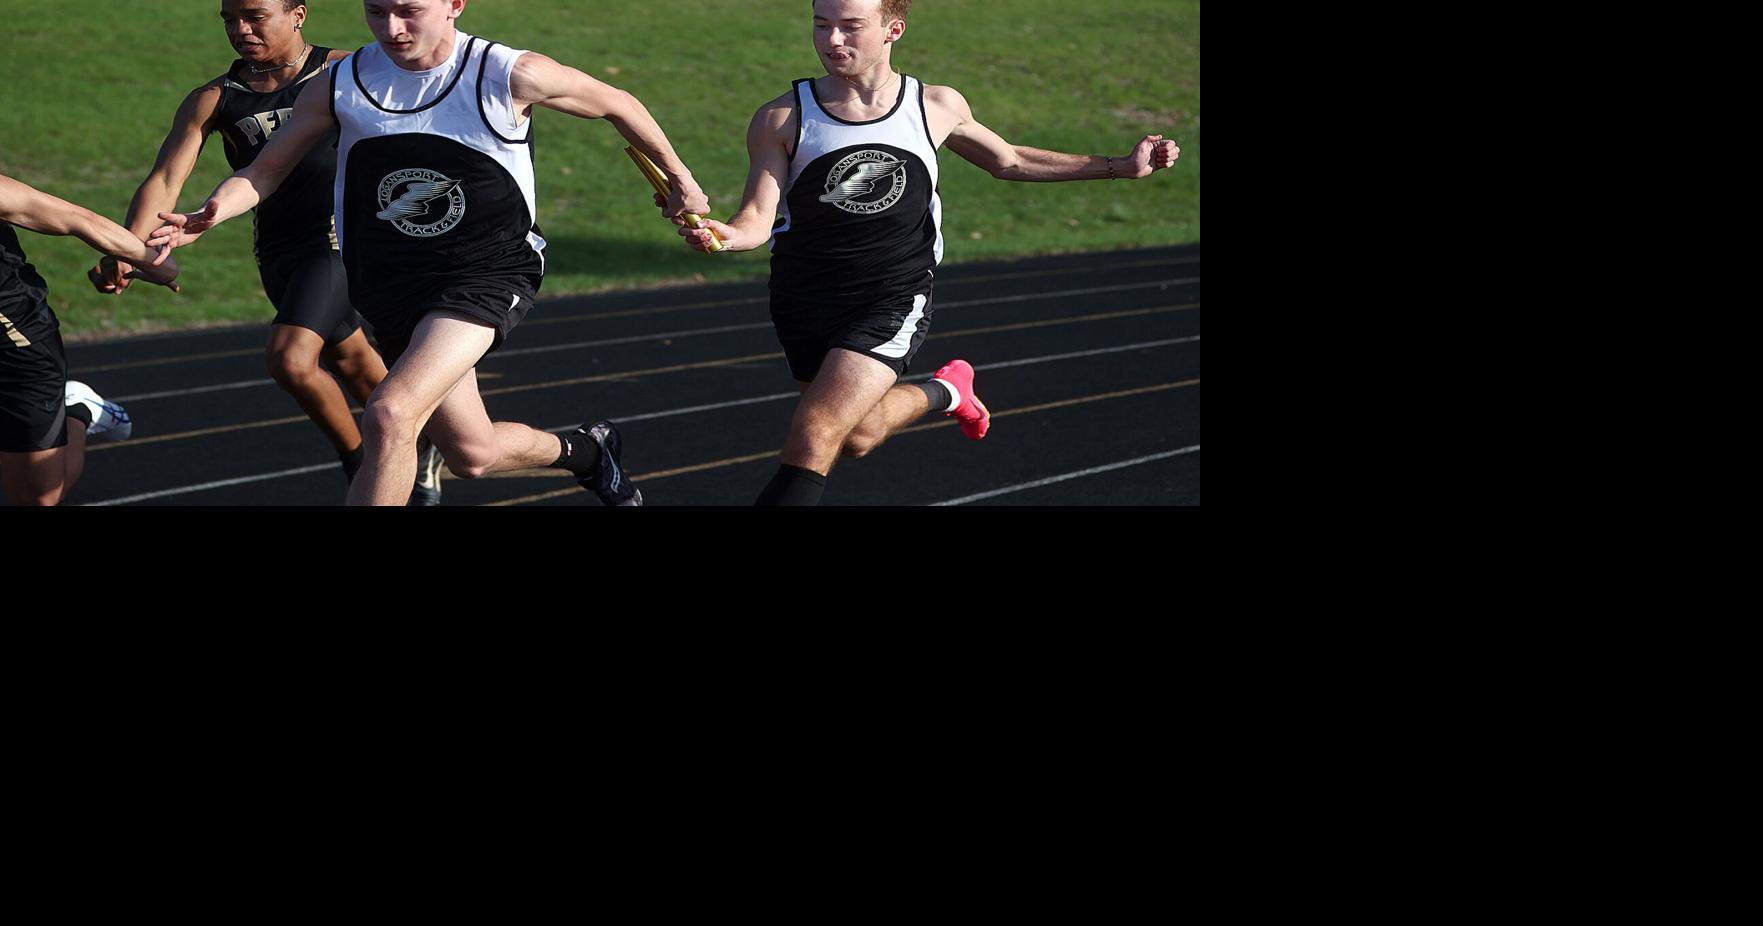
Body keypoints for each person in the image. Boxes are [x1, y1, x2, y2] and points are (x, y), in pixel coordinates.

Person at [151, 0, 712, 505]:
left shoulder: (507, 72)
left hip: (487, 270)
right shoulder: (341, 82)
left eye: (409, 11)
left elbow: (618, 103)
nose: (392, 28)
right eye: (376, 12)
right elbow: (265, 169)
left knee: (391, 414)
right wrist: (210, 213)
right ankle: (587, 451)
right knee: (472, 454)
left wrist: (680, 177)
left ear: (454, 6)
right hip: (391, 283)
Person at [676, 0, 1181, 505]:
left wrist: (1121, 165)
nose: (832, 41)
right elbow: (757, 219)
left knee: (815, 430)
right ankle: (949, 392)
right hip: (803, 300)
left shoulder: (933, 106)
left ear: (893, 29)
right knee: (855, 436)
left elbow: (1008, 160)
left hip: (890, 297)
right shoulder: (782, 117)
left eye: (850, 27)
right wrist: (725, 235)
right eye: (821, 25)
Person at [92, 0, 443, 504]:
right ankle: (420, 440)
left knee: (291, 360)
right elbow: (166, 180)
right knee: (351, 361)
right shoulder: (215, 98)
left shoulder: (348, 70)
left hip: (342, 242)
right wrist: (124, 249)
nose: (241, 29)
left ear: (297, 14)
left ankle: (364, 464)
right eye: (230, 19)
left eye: (255, 16)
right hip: (278, 252)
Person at [1, 174, 180, 506]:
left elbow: (76, 218)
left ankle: (77, 409)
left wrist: (153, 262)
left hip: (19, 349)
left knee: (38, 497)